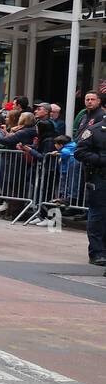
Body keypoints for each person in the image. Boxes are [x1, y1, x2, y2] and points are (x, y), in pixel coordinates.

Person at [73, 103, 106, 267]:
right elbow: (79, 152)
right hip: (100, 178)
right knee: (98, 215)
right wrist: (100, 160)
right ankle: (97, 252)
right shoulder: (96, 130)